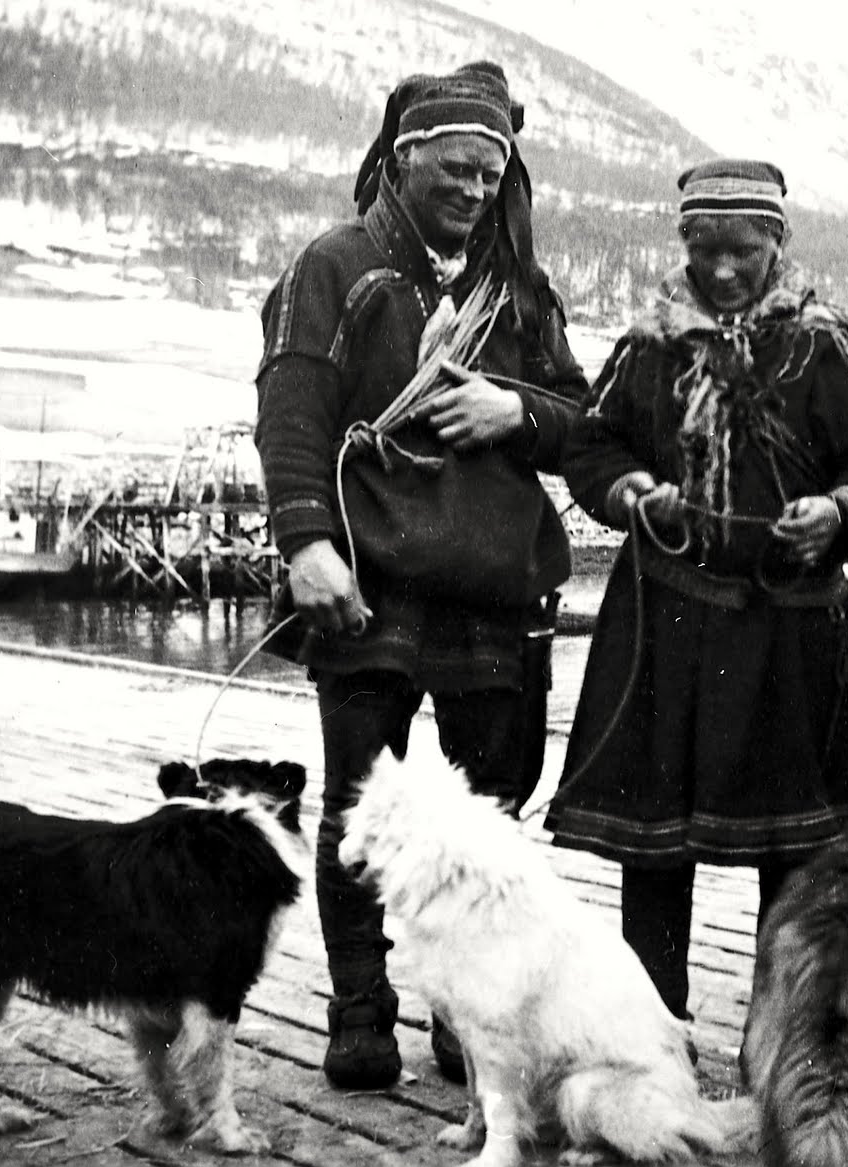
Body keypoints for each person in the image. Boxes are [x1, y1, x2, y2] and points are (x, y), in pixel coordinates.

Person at [253, 61, 587, 1090]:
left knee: (489, 813)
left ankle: (464, 1009)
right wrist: (307, 542)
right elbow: (293, 411)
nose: (476, 191)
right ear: (402, 159)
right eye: (455, 168)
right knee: (364, 810)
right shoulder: (335, 267)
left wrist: (514, 411)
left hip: (490, 585)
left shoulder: (520, 295)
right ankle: (361, 1008)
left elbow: (583, 423)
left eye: (492, 175)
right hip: (368, 578)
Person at [543, 159, 848, 1026]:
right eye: (703, 249)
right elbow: (593, 449)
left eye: (741, 250)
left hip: (792, 633)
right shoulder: (648, 348)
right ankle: (653, 1033)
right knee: (657, 853)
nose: (720, 269)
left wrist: (838, 509)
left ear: (776, 244)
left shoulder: (823, 348)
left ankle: (779, 1031)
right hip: (666, 626)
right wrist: (632, 488)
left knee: (796, 852)